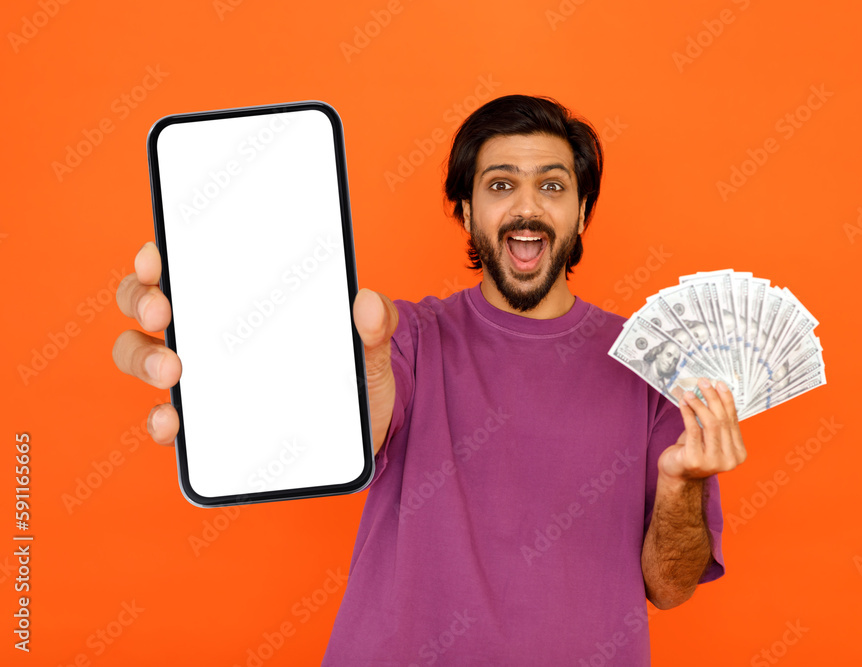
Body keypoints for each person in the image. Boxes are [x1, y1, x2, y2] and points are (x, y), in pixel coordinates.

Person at [112, 94, 748, 665]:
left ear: (582, 213)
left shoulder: (653, 364)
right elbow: (368, 408)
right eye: (501, 185)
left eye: (553, 187)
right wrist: (239, 352)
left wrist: (680, 485)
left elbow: (669, 587)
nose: (527, 207)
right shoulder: (405, 338)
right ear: (467, 210)